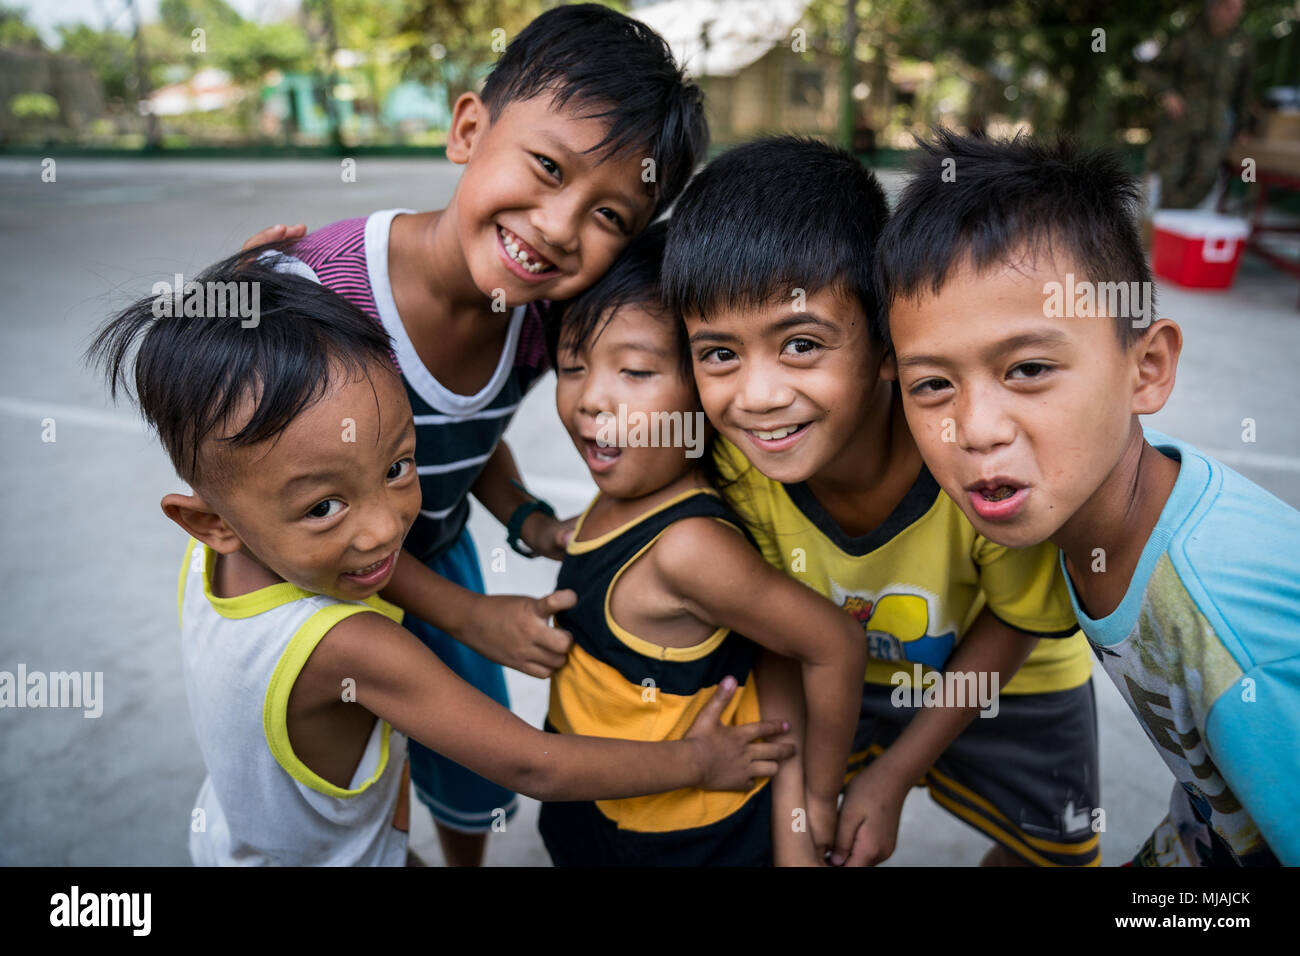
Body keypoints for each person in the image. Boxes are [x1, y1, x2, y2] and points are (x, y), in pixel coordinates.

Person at [86, 255, 792, 867]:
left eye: (398, 466)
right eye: (324, 507)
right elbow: (532, 763)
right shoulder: (351, 646)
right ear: (209, 522)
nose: (384, 528)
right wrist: (702, 761)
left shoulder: (221, 556)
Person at [240, 4, 707, 865]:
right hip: (309, 572)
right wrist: (473, 618)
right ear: (466, 128)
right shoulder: (325, 297)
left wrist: (526, 516)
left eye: (611, 216)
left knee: (472, 774)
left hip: (435, 548)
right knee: (331, 802)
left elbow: (465, 427)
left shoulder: (541, 322)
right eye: (546, 166)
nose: (562, 225)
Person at [661, 136, 1099, 867]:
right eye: (719, 354)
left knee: (1058, 855)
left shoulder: (974, 452)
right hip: (837, 681)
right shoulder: (734, 466)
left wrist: (894, 776)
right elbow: (776, 636)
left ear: (888, 345)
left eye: (801, 344)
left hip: (1006, 679)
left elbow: (1018, 621)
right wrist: (812, 800)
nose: (759, 396)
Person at [877, 129, 1300, 866]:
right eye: (933, 385)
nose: (975, 429)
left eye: (1030, 368)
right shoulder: (1096, 517)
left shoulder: (1230, 629)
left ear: (1148, 368)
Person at [537, 223, 867, 865]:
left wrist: (813, 804)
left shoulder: (688, 547)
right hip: (598, 815)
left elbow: (832, 643)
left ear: (701, 390)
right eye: (571, 366)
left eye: (635, 371)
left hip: (682, 841)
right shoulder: (624, 494)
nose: (591, 398)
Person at [1143, 0, 1254, 210]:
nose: (1235, 15)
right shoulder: (1187, 34)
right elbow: (1150, 69)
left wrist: (1243, 127)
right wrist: (1167, 93)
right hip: (1181, 120)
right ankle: (1164, 224)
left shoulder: (1243, 42)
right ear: (1214, 8)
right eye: (1230, 9)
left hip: (1216, 124)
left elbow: (1244, 89)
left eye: (1239, 10)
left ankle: (1175, 220)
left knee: (1206, 175)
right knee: (1171, 174)